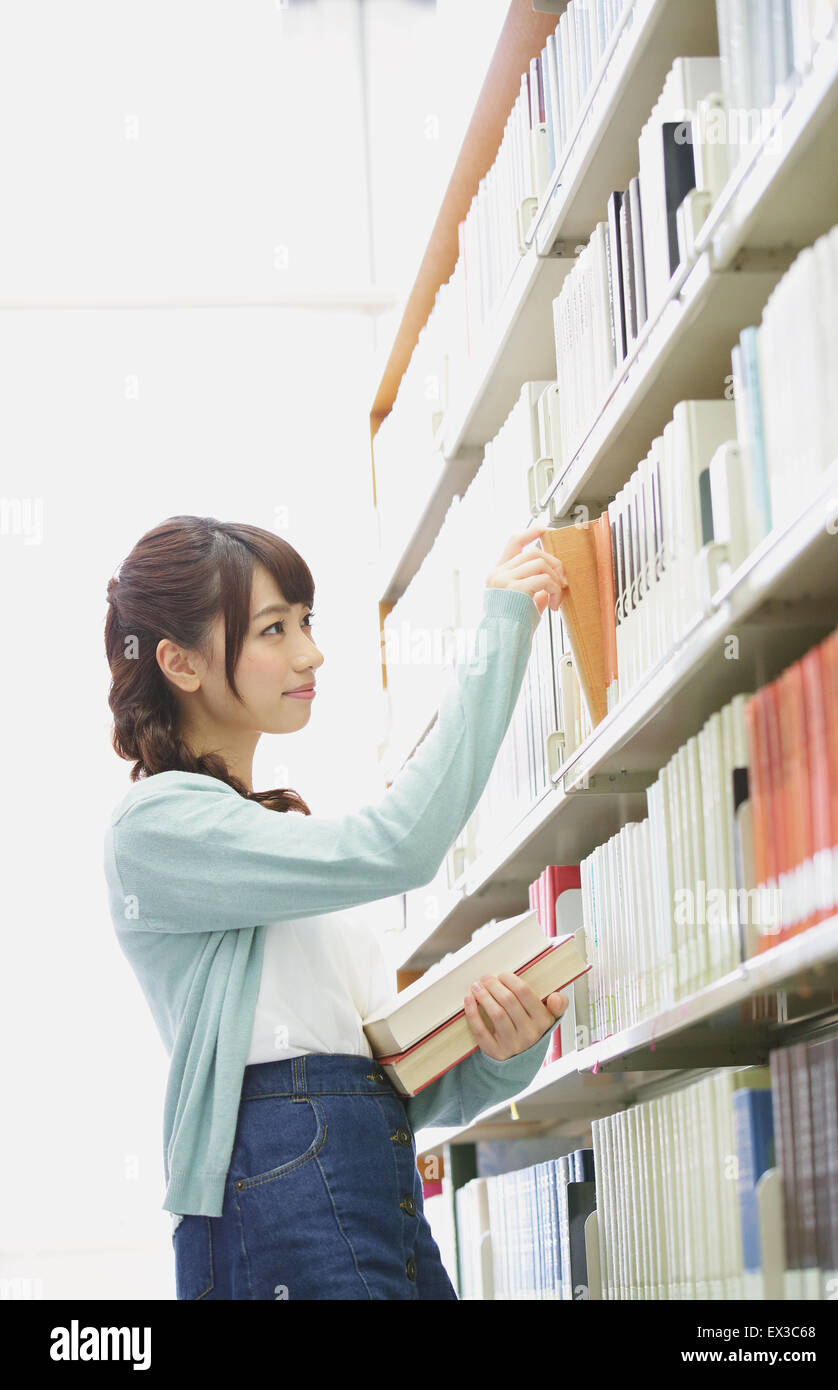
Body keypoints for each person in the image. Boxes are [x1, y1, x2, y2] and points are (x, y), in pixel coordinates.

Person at [103, 513, 570, 1300]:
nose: (310, 653)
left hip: (369, 1172)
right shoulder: (158, 827)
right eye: (274, 629)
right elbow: (402, 847)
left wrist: (505, 1049)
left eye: (306, 622)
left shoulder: (274, 835)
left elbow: (396, 1091)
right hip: (284, 1185)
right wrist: (499, 634)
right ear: (179, 662)